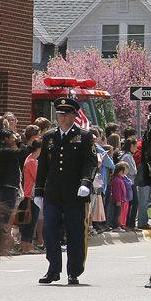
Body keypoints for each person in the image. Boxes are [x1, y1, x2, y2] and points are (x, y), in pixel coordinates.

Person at [34, 96, 96, 285]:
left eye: (65, 114)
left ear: (74, 116)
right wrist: (38, 191)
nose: (61, 117)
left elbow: (90, 162)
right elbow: (43, 165)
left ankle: (74, 271)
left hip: (75, 194)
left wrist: (86, 183)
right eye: (59, 113)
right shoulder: (49, 137)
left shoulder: (84, 137)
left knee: (75, 232)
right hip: (53, 193)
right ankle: (53, 269)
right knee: (50, 230)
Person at [111, 162, 131, 230]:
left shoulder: (120, 179)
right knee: (117, 214)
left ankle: (119, 225)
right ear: (121, 171)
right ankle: (116, 226)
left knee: (120, 213)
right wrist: (118, 200)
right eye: (125, 169)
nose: (127, 170)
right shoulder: (117, 180)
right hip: (119, 201)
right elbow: (117, 192)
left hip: (122, 200)